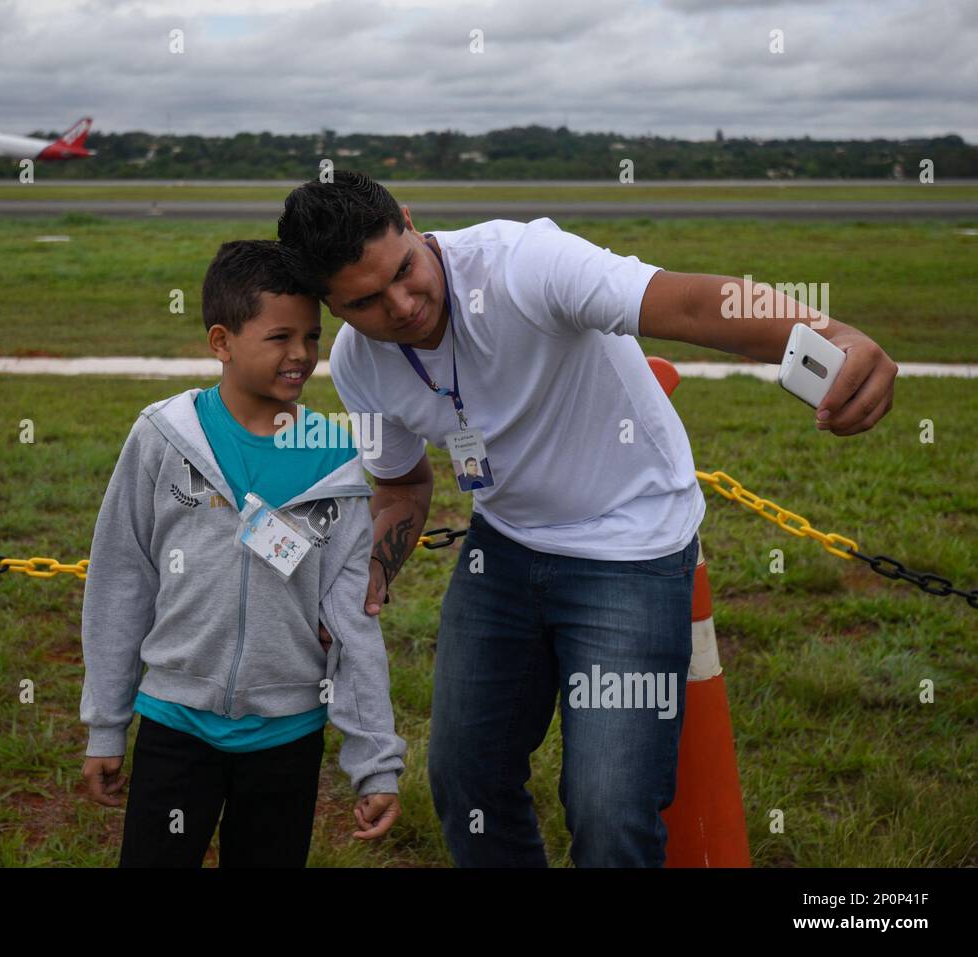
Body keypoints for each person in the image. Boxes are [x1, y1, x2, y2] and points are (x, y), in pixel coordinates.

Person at [277, 171, 897, 867]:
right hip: (503, 549)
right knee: (464, 781)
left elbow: (690, 303)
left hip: (631, 546)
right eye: (365, 301)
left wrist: (826, 330)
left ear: (414, 223)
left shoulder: (523, 265)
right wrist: (373, 574)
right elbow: (400, 484)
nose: (403, 304)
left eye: (405, 269)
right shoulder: (360, 364)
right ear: (330, 306)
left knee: (609, 810)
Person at [80, 238, 405, 867]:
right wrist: (106, 723)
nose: (301, 356)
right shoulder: (162, 438)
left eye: (312, 337)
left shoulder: (332, 462)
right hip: (175, 725)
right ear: (221, 341)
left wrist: (376, 764)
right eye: (279, 337)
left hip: (288, 737)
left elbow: (352, 624)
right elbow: (122, 579)